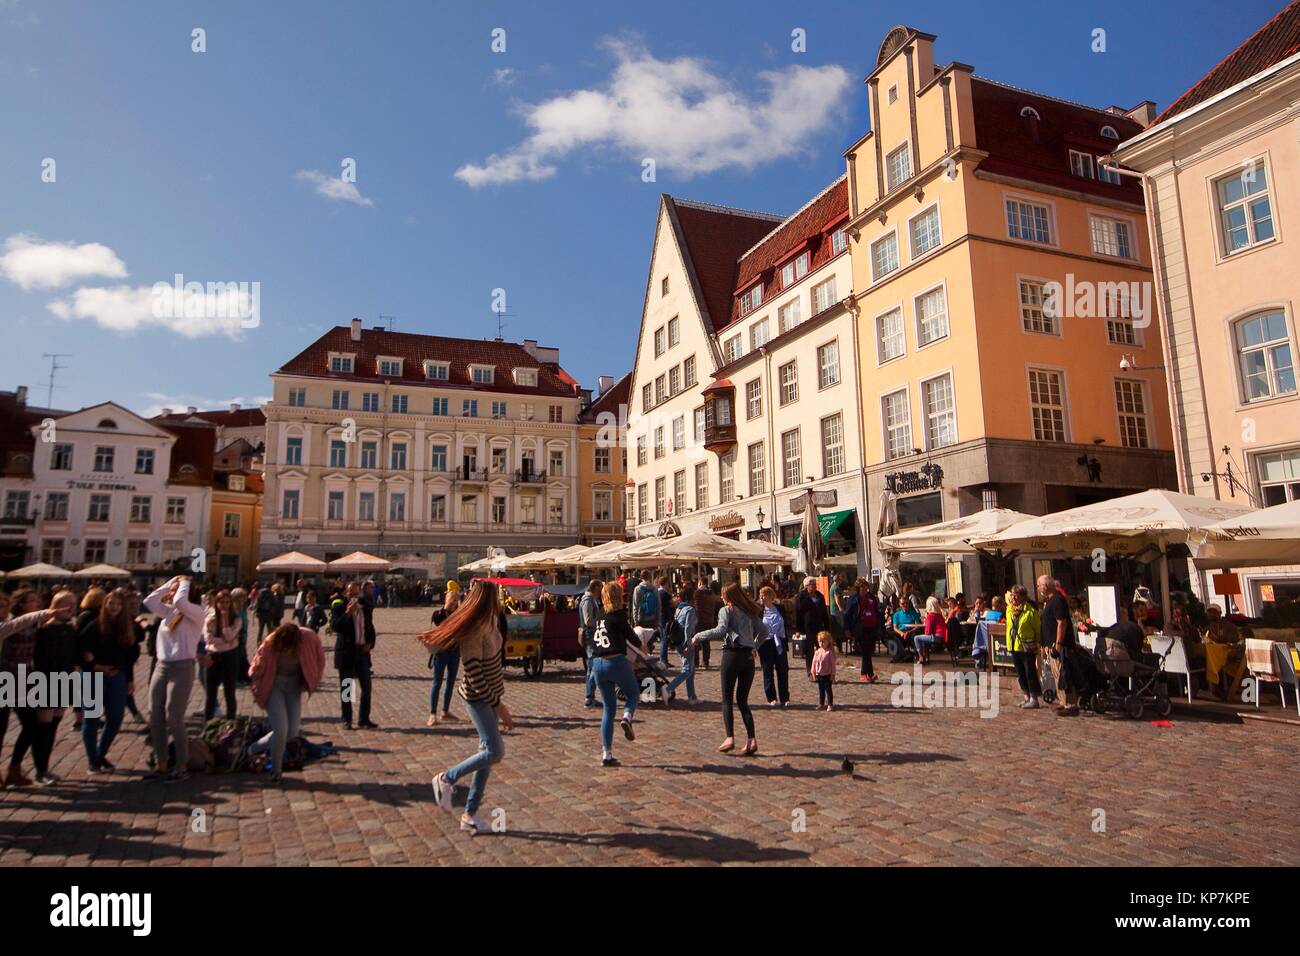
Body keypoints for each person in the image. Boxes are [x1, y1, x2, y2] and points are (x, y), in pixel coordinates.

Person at [424, 581, 513, 834]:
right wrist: (499, 706)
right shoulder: (475, 630)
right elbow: (474, 673)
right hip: (477, 697)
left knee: (486, 758)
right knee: (495, 752)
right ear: (486, 600)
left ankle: (470, 814)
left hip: (490, 695)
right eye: (495, 596)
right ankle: (446, 778)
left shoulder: (492, 622)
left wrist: (497, 698)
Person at [689, 582, 769, 756]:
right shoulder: (750, 611)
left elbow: (721, 630)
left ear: (729, 596)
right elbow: (764, 631)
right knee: (743, 701)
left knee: (727, 699)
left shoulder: (726, 611)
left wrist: (698, 636)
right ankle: (751, 739)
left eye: (724, 594)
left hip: (732, 655)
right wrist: (754, 646)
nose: (722, 597)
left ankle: (730, 737)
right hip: (748, 658)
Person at [143, 575, 206, 781]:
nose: (171, 594)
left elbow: (181, 601)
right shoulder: (169, 612)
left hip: (182, 667)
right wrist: (171, 582)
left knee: (174, 716)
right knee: (155, 715)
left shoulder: (196, 612)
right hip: (162, 666)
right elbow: (149, 601)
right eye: (172, 591)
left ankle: (181, 764)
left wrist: (185, 582)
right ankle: (161, 763)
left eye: (175, 590)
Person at [248, 621, 325, 783]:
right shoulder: (270, 642)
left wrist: (313, 678)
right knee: (281, 728)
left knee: (292, 732)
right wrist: (255, 678)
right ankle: (276, 769)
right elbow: (257, 665)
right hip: (273, 685)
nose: (289, 651)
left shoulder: (309, 638)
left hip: (294, 687)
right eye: (286, 647)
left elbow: (320, 659)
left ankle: (255, 747)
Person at [0, 589, 59, 786]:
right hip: (5, 680)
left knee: (31, 724)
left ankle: (14, 769)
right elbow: (16, 625)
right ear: (22, 604)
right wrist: (46, 613)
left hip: (23, 681)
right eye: (31, 600)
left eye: (4, 604)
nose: (35, 602)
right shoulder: (9, 624)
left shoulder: (34, 624)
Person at [77, 588, 139, 773]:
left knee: (116, 717)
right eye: (111, 603)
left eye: (118, 604)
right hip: (93, 675)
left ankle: (100, 753)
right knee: (92, 718)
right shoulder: (94, 624)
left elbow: (128, 656)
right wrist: (95, 665)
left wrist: (129, 679)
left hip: (117, 676)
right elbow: (79, 649)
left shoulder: (125, 627)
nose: (114, 607)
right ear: (105, 604)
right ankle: (93, 760)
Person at [22, 592, 81, 785]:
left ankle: (45, 767)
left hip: (66, 680)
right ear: (55, 606)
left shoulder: (72, 629)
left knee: (54, 725)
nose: (70, 608)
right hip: (46, 681)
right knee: (44, 728)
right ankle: (41, 769)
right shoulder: (44, 630)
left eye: (73, 604)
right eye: (66, 604)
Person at [587, 582, 644, 767]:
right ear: (618, 596)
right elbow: (631, 636)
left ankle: (607, 753)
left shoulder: (598, 616)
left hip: (598, 665)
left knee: (608, 710)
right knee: (633, 694)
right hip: (616, 661)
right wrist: (643, 647)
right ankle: (627, 717)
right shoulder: (618, 615)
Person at [331, 582, 376, 730]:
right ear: (345, 593)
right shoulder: (339, 607)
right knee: (347, 689)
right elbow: (335, 626)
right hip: (346, 653)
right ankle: (347, 719)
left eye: (357, 594)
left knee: (367, 688)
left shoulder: (365, 608)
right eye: (351, 594)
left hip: (362, 652)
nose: (354, 597)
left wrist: (370, 642)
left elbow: (370, 627)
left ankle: (364, 719)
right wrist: (347, 614)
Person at [1037, 574, 1078, 716]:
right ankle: (1062, 701)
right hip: (1051, 644)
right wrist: (1045, 644)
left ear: (1045, 586)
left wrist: (1058, 644)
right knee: (1057, 674)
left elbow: (1062, 623)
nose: (1038, 588)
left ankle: (1070, 704)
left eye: (1039, 585)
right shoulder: (1049, 601)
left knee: (1063, 674)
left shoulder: (1058, 600)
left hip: (1060, 645)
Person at [202, 590, 242, 721]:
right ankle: (207, 723)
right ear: (216, 603)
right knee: (211, 693)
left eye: (227, 602)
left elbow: (230, 636)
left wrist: (225, 621)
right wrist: (226, 640)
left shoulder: (236, 619)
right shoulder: (210, 619)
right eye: (221, 602)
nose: (225, 605)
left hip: (230, 656)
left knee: (229, 692)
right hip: (213, 656)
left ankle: (231, 722)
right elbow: (209, 639)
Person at [427, 589, 462, 726]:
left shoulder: (458, 614)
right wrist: (447, 608)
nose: (453, 602)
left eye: (455, 600)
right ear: (446, 599)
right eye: (451, 599)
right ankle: (432, 714)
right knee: (437, 682)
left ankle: (445, 711)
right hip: (441, 652)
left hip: (454, 652)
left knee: (451, 682)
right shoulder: (439, 613)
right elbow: (437, 621)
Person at [1006, 585, 1042, 710]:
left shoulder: (1030, 611)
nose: (1013, 597)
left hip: (1027, 646)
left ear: (1023, 597)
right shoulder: (1009, 610)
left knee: (1030, 672)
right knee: (1020, 672)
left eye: (1015, 595)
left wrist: (1039, 643)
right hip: (1014, 645)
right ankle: (1026, 696)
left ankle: (1034, 698)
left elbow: (1037, 629)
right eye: (1011, 595)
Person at [663, 585, 700, 706]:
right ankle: (668, 688)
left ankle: (692, 697)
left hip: (678, 641)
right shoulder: (690, 609)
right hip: (685, 642)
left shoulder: (679, 608)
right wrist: (688, 644)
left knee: (691, 670)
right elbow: (688, 628)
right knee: (687, 669)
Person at [843, 578, 881, 683]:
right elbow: (847, 614)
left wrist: (879, 624)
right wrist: (847, 629)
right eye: (862, 588)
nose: (865, 590)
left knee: (869, 651)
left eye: (866, 588)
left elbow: (876, 611)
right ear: (858, 588)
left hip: (871, 626)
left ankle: (870, 673)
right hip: (860, 627)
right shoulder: (854, 599)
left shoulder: (871, 598)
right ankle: (864, 673)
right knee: (865, 651)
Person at [757, 586, 790, 707]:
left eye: (764, 595)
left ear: (771, 597)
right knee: (767, 671)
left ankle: (784, 697)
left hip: (779, 642)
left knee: (783, 670)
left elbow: (785, 622)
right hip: (765, 643)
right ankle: (771, 697)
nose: (762, 597)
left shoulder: (779, 609)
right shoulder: (759, 611)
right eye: (761, 595)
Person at [794, 577, 830, 673]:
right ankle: (810, 670)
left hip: (819, 626)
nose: (814, 586)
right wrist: (798, 629)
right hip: (807, 627)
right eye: (812, 584)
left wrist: (827, 627)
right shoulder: (801, 597)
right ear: (807, 586)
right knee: (809, 650)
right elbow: (797, 614)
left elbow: (824, 613)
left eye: (815, 584)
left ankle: (821, 669)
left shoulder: (820, 596)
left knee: (821, 649)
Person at [578, 579, 604, 708]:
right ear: (595, 588)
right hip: (590, 636)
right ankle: (589, 697)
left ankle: (591, 696)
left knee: (592, 666)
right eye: (600, 588)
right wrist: (600, 621)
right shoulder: (587, 601)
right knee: (592, 667)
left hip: (592, 636)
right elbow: (588, 621)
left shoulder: (591, 599)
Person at [693, 582, 718, 670]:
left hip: (699, 620)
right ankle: (705, 661)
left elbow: (695, 605)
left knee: (696, 640)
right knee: (706, 642)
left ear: (699, 583)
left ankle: (695, 662)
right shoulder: (711, 594)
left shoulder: (697, 593)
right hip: (709, 620)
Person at [230, 587, 252, 686]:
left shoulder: (243, 609)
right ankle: (238, 678)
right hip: (236, 638)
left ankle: (245, 677)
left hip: (243, 637)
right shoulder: (233, 610)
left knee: (242, 657)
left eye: (244, 597)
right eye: (240, 598)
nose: (243, 600)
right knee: (238, 658)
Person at [811, 631, 837, 711]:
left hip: (827, 674)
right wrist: (813, 672)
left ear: (828, 642)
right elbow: (814, 662)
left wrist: (833, 674)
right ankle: (821, 703)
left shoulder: (829, 653)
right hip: (819, 674)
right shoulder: (817, 652)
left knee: (828, 690)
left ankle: (830, 704)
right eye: (820, 641)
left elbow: (833, 665)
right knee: (821, 690)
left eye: (823, 642)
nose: (821, 643)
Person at [917, 596, 945, 665]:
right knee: (925, 640)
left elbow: (928, 632)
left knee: (916, 638)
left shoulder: (930, 616)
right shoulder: (939, 615)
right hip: (943, 636)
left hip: (936, 637)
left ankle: (921, 657)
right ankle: (926, 658)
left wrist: (926, 619)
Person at [632, 570, 659, 636]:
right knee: (651, 639)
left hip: (641, 618)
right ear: (649, 577)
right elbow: (659, 605)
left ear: (641, 578)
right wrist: (658, 619)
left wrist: (635, 621)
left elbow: (635, 606)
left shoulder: (637, 589)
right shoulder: (654, 589)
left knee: (642, 639)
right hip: (653, 618)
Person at [655, 576, 673, 665]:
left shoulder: (657, 592)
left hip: (659, 617)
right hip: (664, 618)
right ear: (666, 583)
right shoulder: (664, 593)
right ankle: (663, 660)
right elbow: (671, 604)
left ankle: (664, 660)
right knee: (664, 639)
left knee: (663, 638)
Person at [828, 574, 846, 654]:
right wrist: (840, 608)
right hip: (837, 611)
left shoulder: (832, 586)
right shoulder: (836, 588)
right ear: (837, 580)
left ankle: (835, 647)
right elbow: (837, 598)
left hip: (833, 610)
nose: (841, 581)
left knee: (835, 630)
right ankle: (840, 648)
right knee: (839, 629)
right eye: (840, 579)